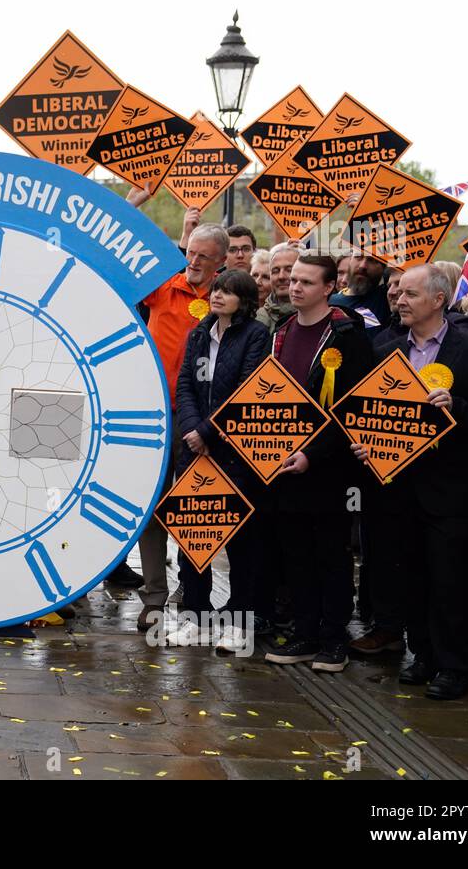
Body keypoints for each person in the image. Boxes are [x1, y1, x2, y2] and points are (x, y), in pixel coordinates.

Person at [353, 264, 468, 699]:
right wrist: (366, 445)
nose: (400, 300)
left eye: (411, 294)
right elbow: (370, 414)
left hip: (451, 491)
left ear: (439, 300)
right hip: (398, 489)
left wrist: (456, 407)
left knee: (449, 580)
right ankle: (423, 654)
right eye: (399, 294)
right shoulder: (385, 351)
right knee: (408, 575)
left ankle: (455, 666)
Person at [263, 254, 374, 672]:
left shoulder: (346, 336)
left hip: (328, 468)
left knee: (331, 552)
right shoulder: (282, 330)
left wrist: (312, 453)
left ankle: (333, 638)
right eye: (293, 280)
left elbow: (351, 408)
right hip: (283, 463)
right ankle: (304, 632)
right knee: (295, 553)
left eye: (306, 282)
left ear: (329, 287)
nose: (295, 288)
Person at [124, 223, 226, 624]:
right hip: (155, 415)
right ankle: (153, 597)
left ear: (219, 262)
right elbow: (128, 278)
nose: (194, 262)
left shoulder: (224, 299)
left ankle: (191, 587)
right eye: (190, 254)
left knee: (192, 508)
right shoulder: (165, 287)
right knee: (151, 506)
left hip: (199, 423)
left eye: (203, 256)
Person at [171, 268, 269, 651]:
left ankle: (238, 623)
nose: (217, 296)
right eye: (216, 289)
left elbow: (248, 388)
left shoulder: (256, 335)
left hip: (234, 454)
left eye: (227, 292)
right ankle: (195, 617)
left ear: (244, 300)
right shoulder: (198, 332)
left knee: (240, 542)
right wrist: (193, 430)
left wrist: (209, 432)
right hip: (195, 450)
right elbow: (185, 385)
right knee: (193, 535)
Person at [332, 251, 391, 337]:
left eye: (372, 260)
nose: (363, 265)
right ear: (351, 260)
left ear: (383, 268)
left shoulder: (389, 297)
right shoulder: (328, 301)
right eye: (358, 256)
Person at [255, 242, 299, 333]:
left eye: (289, 270)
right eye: (275, 271)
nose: (281, 276)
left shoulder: (317, 318)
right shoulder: (255, 319)